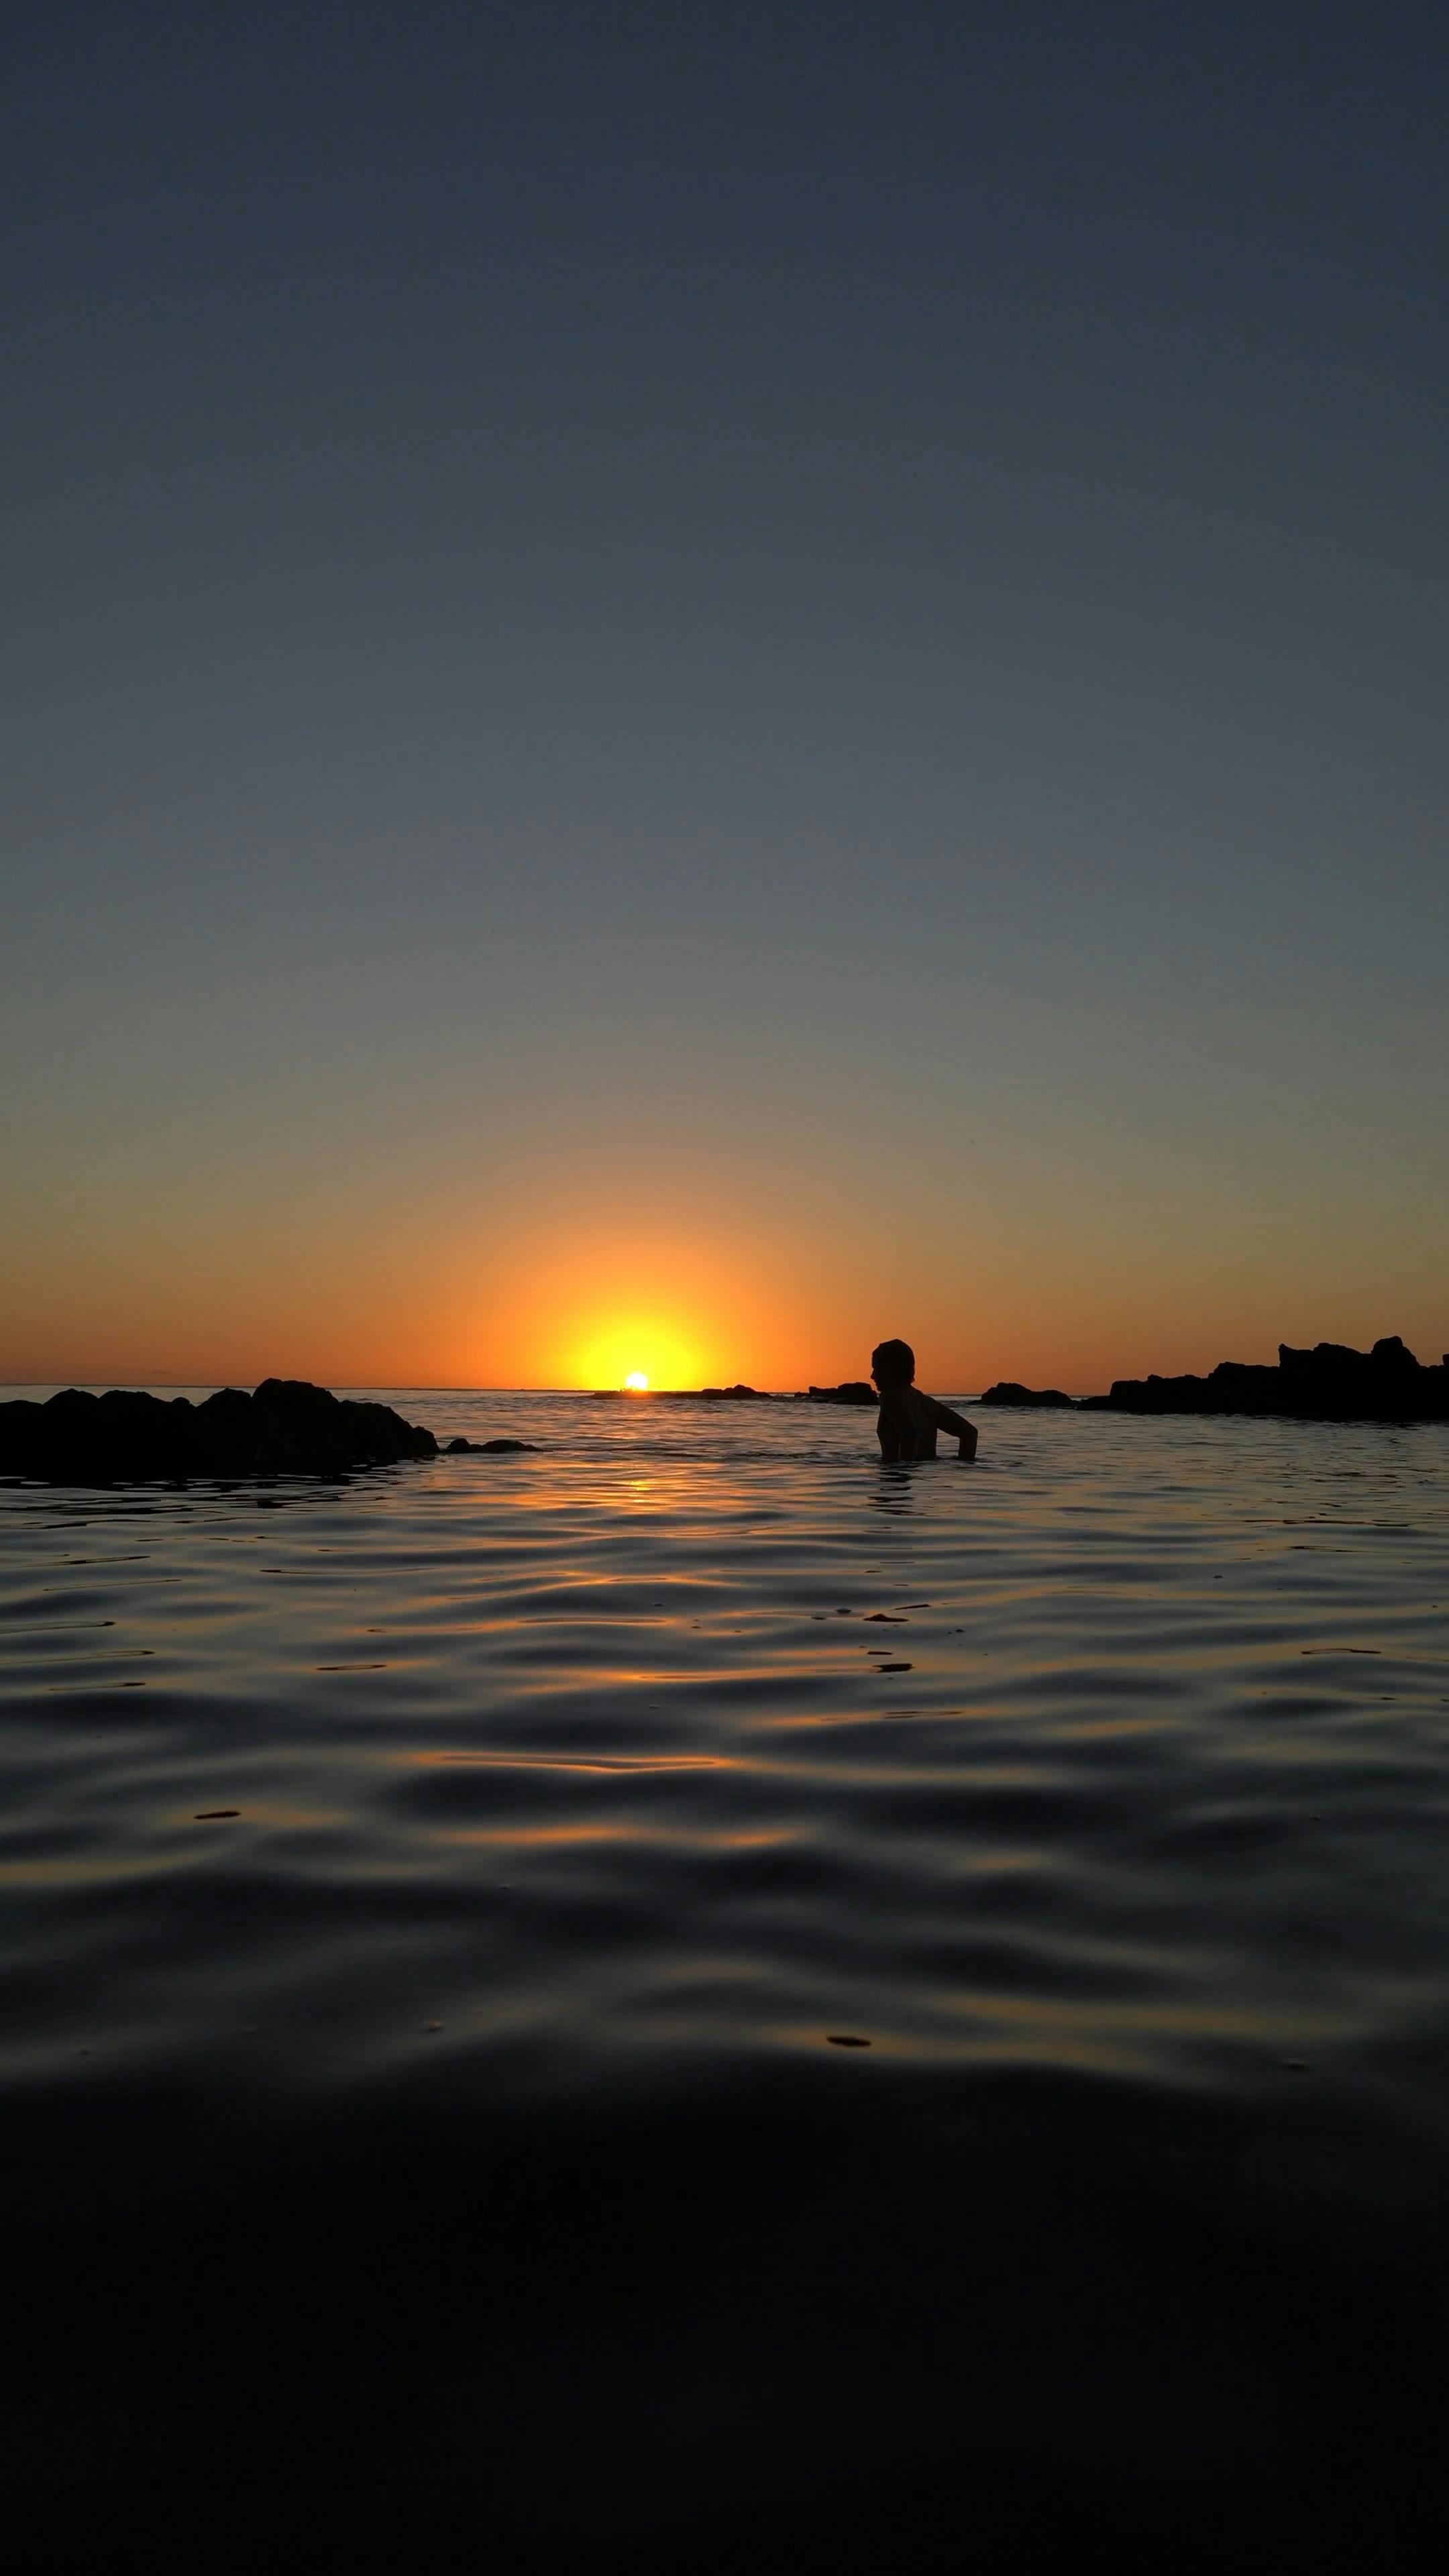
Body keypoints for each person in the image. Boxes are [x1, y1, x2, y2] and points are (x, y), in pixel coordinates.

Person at [871, 1340, 978, 1462]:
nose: (872, 1376)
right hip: (927, 1474)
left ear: (891, 1368)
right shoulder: (927, 1403)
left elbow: (910, 1433)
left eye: (876, 1368)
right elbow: (969, 1433)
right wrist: (963, 1466)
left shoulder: (890, 1396)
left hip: (898, 1473)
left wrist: (904, 1468)